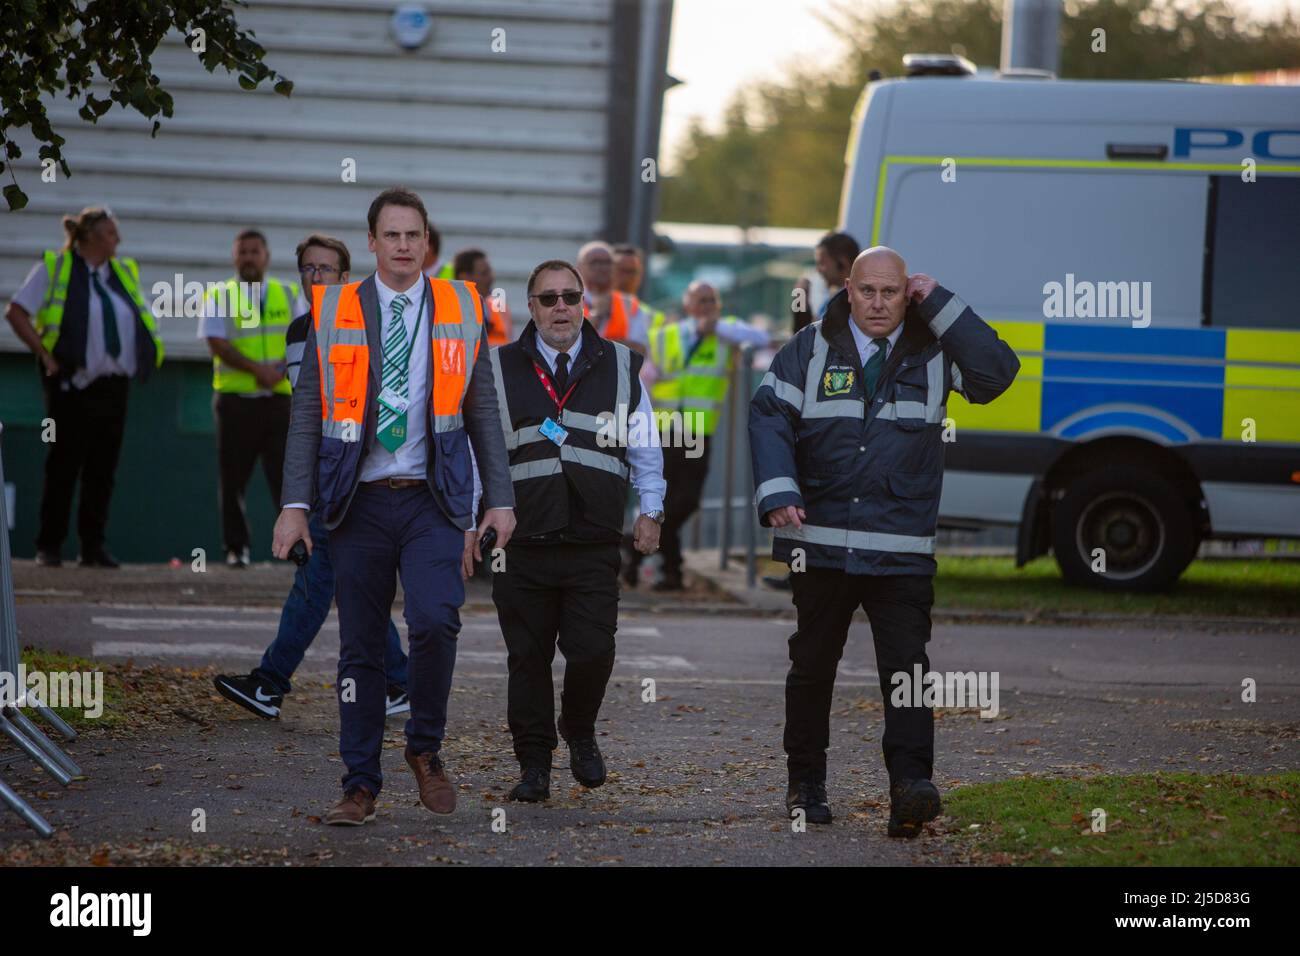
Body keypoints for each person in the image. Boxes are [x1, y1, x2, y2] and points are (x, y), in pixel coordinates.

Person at [749, 246, 1019, 837]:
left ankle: (910, 787)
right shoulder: (810, 347)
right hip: (817, 543)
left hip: (901, 548)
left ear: (907, 294)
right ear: (848, 289)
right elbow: (768, 413)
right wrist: (776, 491)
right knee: (813, 667)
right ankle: (807, 784)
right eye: (866, 291)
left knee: (907, 672)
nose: (877, 303)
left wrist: (942, 305)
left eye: (890, 292)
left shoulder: (935, 350)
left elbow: (997, 374)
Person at [274, 187, 515, 826]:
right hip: (356, 502)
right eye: (392, 235)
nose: (405, 246)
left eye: (415, 235)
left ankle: (425, 748)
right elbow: (306, 413)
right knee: (360, 648)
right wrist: (294, 505)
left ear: (426, 242)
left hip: (434, 501)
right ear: (374, 242)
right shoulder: (335, 309)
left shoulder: (463, 306)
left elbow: (483, 409)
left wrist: (500, 501)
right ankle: (359, 785)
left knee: (436, 622)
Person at [484, 259, 664, 802]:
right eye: (548, 298)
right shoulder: (496, 367)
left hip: (592, 537)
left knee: (592, 651)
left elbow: (646, 446)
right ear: (531, 307)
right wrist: (475, 520)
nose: (560, 307)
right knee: (528, 660)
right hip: (523, 540)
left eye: (569, 296)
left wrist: (650, 510)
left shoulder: (620, 365)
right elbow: (480, 453)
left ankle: (579, 729)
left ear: (583, 302)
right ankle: (534, 764)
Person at [213, 234, 410, 720]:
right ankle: (396, 683)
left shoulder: (366, 323)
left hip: (355, 476)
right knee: (340, 581)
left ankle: (272, 682)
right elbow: (305, 412)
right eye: (307, 268)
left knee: (322, 580)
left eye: (326, 269)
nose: (315, 277)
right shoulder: (299, 330)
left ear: (347, 277)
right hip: (323, 475)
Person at [4, 207, 164, 567]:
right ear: (89, 235)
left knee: (102, 467)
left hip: (113, 384)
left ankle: (92, 546)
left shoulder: (122, 272)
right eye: (110, 233)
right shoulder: (56, 267)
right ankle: (49, 545)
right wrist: (45, 354)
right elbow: (15, 311)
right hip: (71, 383)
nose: (117, 240)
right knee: (63, 462)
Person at [627, 281, 769, 590]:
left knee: (686, 501)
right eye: (700, 301)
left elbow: (761, 338)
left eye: (711, 301)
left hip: (697, 430)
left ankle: (635, 547)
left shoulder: (727, 332)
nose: (706, 307)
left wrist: (718, 329)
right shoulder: (667, 335)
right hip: (665, 429)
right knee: (663, 498)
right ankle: (671, 572)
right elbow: (646, 376)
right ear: (688, 305)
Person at [765, 230, 863, 591]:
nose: (819, 269)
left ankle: (804, 571)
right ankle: (800, 569)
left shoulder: (847, 302)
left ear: (841, 261)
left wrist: (799, 301)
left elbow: (803, 340)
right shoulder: (841, 299)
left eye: (822, 261)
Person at [201, 229, 300, 568]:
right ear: (234, 257)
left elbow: (304, 336)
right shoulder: (219, 294)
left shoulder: (287, 293)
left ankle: (295, 545)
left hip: (277, 402)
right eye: (242, 252)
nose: (248, 258)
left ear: (267, 256)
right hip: (237, 401)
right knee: (233, 480)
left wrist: (280, 369)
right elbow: (216, 341)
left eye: (254, 251)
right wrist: (259, 370)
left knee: (287, 478)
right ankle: (236, 548)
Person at [576, 241, 650, 355]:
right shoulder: (569, 301)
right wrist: (597, 316)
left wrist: (594, 344)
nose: (601, 267)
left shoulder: (629, 304)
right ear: (579, 268)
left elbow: (638, 349)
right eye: (595, 262)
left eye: (607, 262)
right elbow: (568, 346)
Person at [452, 248, 510, 346]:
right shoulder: (449, 311)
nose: (491, 278)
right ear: (464, 277)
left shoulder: (499, 307)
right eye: (484, 273)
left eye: (490, 272)